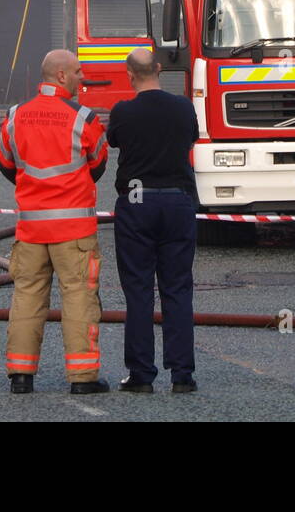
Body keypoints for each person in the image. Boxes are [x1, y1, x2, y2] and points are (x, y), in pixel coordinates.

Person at [0, 50, 108, 394]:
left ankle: (21, 376)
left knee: (26, 297)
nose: (82, 78)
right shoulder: (83, 118)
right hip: (73, 232)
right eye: (77, 73)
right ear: (60, 76)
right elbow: (98, 164)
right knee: (78, 299)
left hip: (30, 230)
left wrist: (33, 189)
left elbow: (4, 162)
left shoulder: (15, 116)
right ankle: (82, 379)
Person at [106, 49, 200, 393]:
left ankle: (141, 374)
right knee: (177, 288)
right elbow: (191, 137)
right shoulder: (183, 107)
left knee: (139, 291)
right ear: (159, 69)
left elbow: (113, 140)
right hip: (178, 201)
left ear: (129, 74)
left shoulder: (123, 111)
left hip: (136, 200)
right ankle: (182, 375)